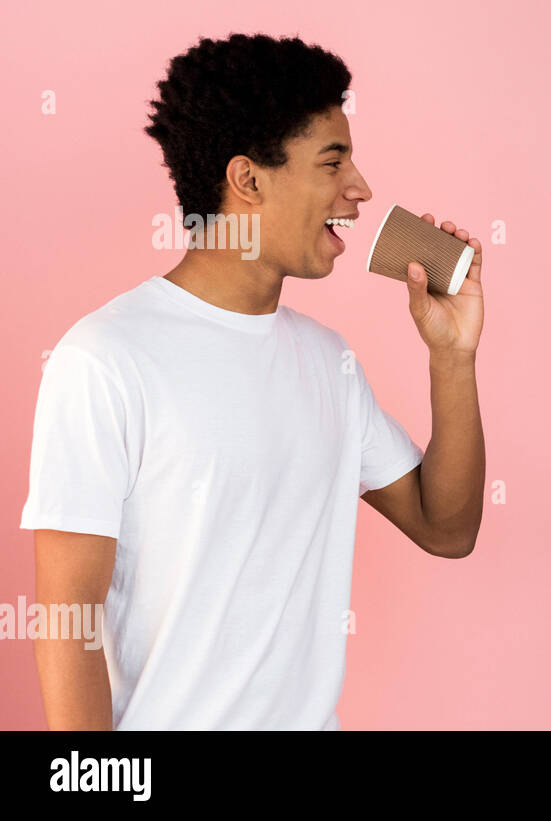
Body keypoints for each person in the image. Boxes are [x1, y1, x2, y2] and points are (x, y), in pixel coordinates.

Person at [19, 34, 487, 730]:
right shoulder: (104, 359)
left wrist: (452, 358)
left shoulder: (330, 362)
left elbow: (447, 528)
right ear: (247, 179)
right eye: (333, 162)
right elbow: (67, 618)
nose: (359, 188)